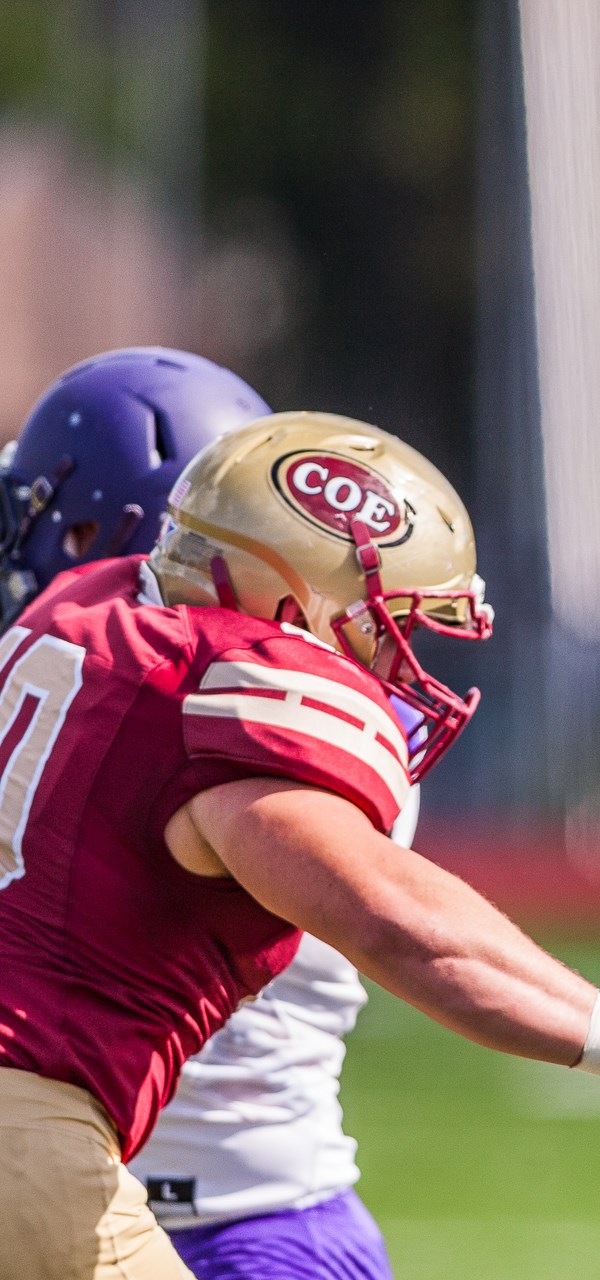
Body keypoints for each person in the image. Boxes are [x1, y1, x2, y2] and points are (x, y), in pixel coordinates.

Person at [0, 407, 600, 1280]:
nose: (403, 664)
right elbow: (401, 925)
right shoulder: (228, 705)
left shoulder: (86, 610)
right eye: (389, 622)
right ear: (293, 598)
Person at [3, 346, 407, 1280]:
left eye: (57, 521)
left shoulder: (279, 719)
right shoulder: (118, 676)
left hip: (241, 1213)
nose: (32, 546)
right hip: (82, 1182)